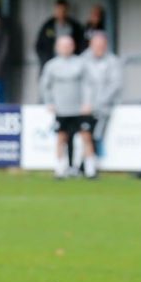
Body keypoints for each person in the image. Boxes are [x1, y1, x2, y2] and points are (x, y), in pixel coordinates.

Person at [40, 35, 97, 179]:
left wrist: (87, 102)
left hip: (79, 109)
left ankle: (90, 170)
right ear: (57, 48)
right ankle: (60, 169)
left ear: (73, 47)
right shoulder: (51, 66)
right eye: (63, 46)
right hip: (61, 109)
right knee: (61, 138)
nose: (66, 48)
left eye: (69, 45)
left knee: (86, 137)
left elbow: (88, 85)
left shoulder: (81, 64)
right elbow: (45, 86)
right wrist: (49, 102)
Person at [81, 31, 123, 151]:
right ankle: (85, 163)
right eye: (96, 44)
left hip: (105, 107)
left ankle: (94, 161)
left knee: (98, 136)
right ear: (91, 44)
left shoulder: (113, 61)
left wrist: (98, 103)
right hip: (85, 108)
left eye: (101, 44)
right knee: (84, 135)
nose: (99, 47)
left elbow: (115, 84)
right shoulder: (82, 60)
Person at [35, 0, 84, 70]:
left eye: (63, 10)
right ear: (55, 10)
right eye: (59, 10)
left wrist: (77, 60)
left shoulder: (75, 27)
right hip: (53, 64)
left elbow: (81, 45)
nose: (61, 13)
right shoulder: (48, 26)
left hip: (71, 65)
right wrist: (45, 61)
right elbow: (39, 46)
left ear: (67, 11)